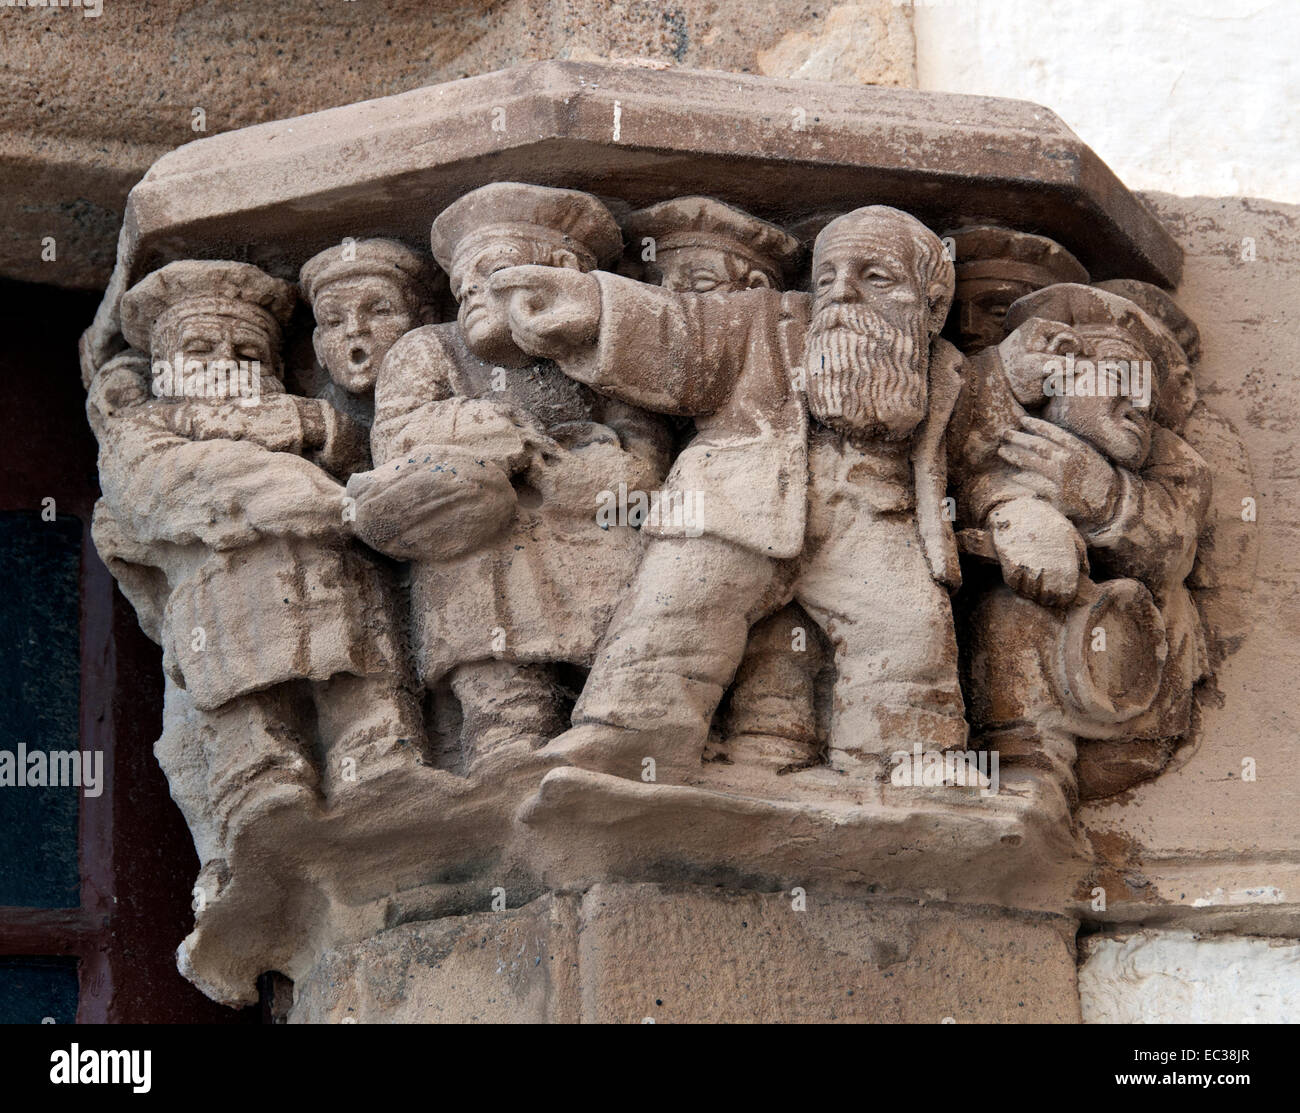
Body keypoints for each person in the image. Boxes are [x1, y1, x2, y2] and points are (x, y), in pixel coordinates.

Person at [482, 205, 968, 783]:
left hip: (872, 521)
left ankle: (905, 760)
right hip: (734, 503)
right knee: (677, 613)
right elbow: (679, 335)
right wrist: (590, 309)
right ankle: (629, 741)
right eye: (827, 277)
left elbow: (990, 462)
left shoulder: (951, 376)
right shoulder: (765, 322)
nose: (842, 294)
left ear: (932, 304)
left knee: (908, 627)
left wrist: (1024, 518)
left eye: (875, 277)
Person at [349, 183, 670, 774]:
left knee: (627, 541)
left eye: (490, 269)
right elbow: (394, 436)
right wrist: (492, 430)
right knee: (476, 542)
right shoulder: (429, 349)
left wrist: (572, 470)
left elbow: (644, 458)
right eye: (460, 282)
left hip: (585, 508)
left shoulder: (605, 354)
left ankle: (606, 723)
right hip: (476, 518)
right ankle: (504, 727)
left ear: (563, 273)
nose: (470, 288)